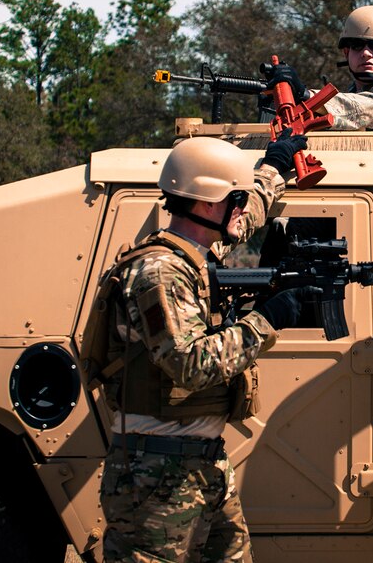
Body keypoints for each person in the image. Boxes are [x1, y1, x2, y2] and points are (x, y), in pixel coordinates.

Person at [99, 133, 315, 563]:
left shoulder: (196, 253)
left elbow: (248, 215)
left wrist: (273, 166)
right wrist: (266, 321)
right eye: (234, 199)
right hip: (155, 479)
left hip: (203, 464)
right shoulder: (160, 272)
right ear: (208, 204)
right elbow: (190, 364)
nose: (241, 209)